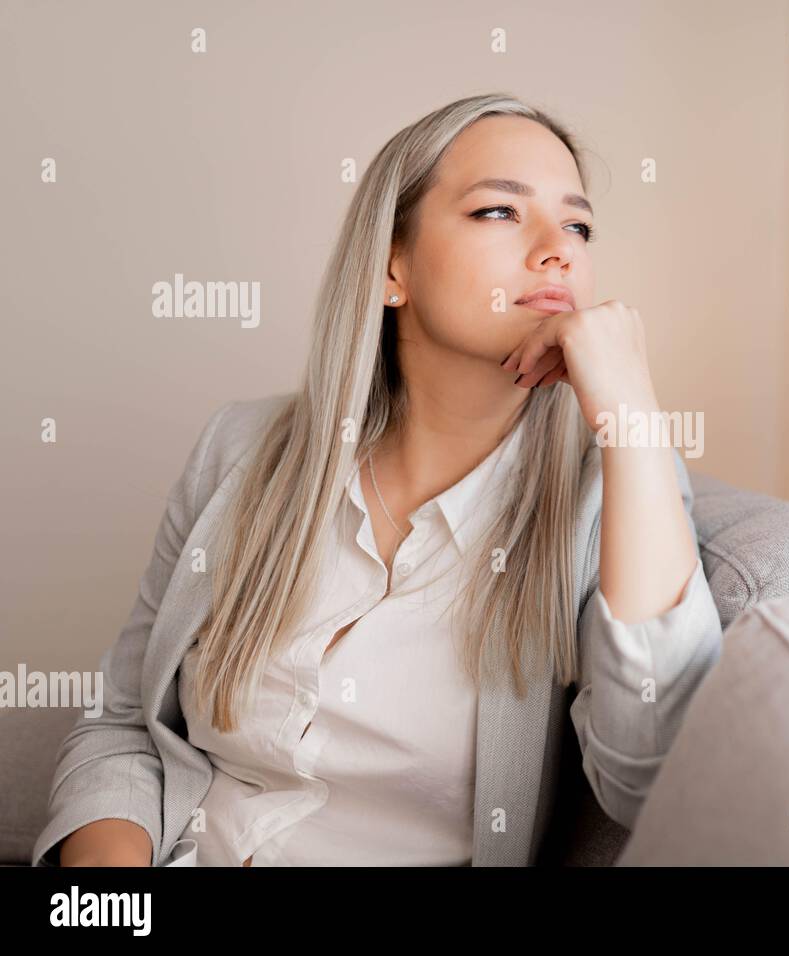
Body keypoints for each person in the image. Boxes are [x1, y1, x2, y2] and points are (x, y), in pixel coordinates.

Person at [40, 92, 723, 867]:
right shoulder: (238, 448)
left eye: (578, 225)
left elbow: (653, 780)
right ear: (391, 265)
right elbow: (126, 721)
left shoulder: (617, 491)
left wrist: (631, 412)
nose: (558, 249)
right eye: (500, 211)